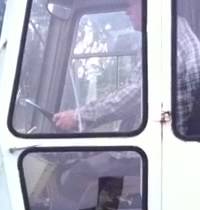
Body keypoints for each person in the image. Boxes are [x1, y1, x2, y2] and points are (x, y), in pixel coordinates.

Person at [54, 1, 200, 132]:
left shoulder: (169, 35)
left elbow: (139, 93)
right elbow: (135, 91)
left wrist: (79, 117)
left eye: (132, 4)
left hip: (160, 146)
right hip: (151, 137)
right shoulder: (164, 35)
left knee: (77, 163)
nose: (127, 11)